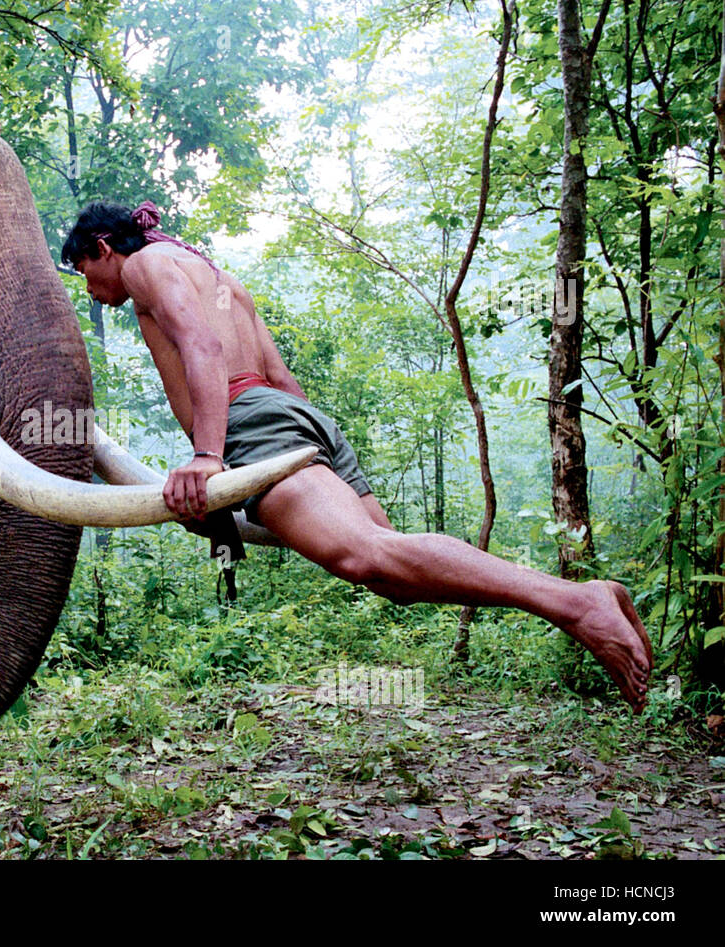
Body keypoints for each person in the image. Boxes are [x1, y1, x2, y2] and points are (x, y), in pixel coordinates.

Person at [62, 199, 653, 712]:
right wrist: (278, 465)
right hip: (297, 419)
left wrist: (209, 455)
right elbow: (280, 377)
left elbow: (202, 345)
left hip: (251, 421)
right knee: (394, 572)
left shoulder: (143, 264)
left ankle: (577, 602)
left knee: (370, 557)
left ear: (104, 247)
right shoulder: (217, 277)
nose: (90, 289)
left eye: (84, 272)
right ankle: (575, 599)